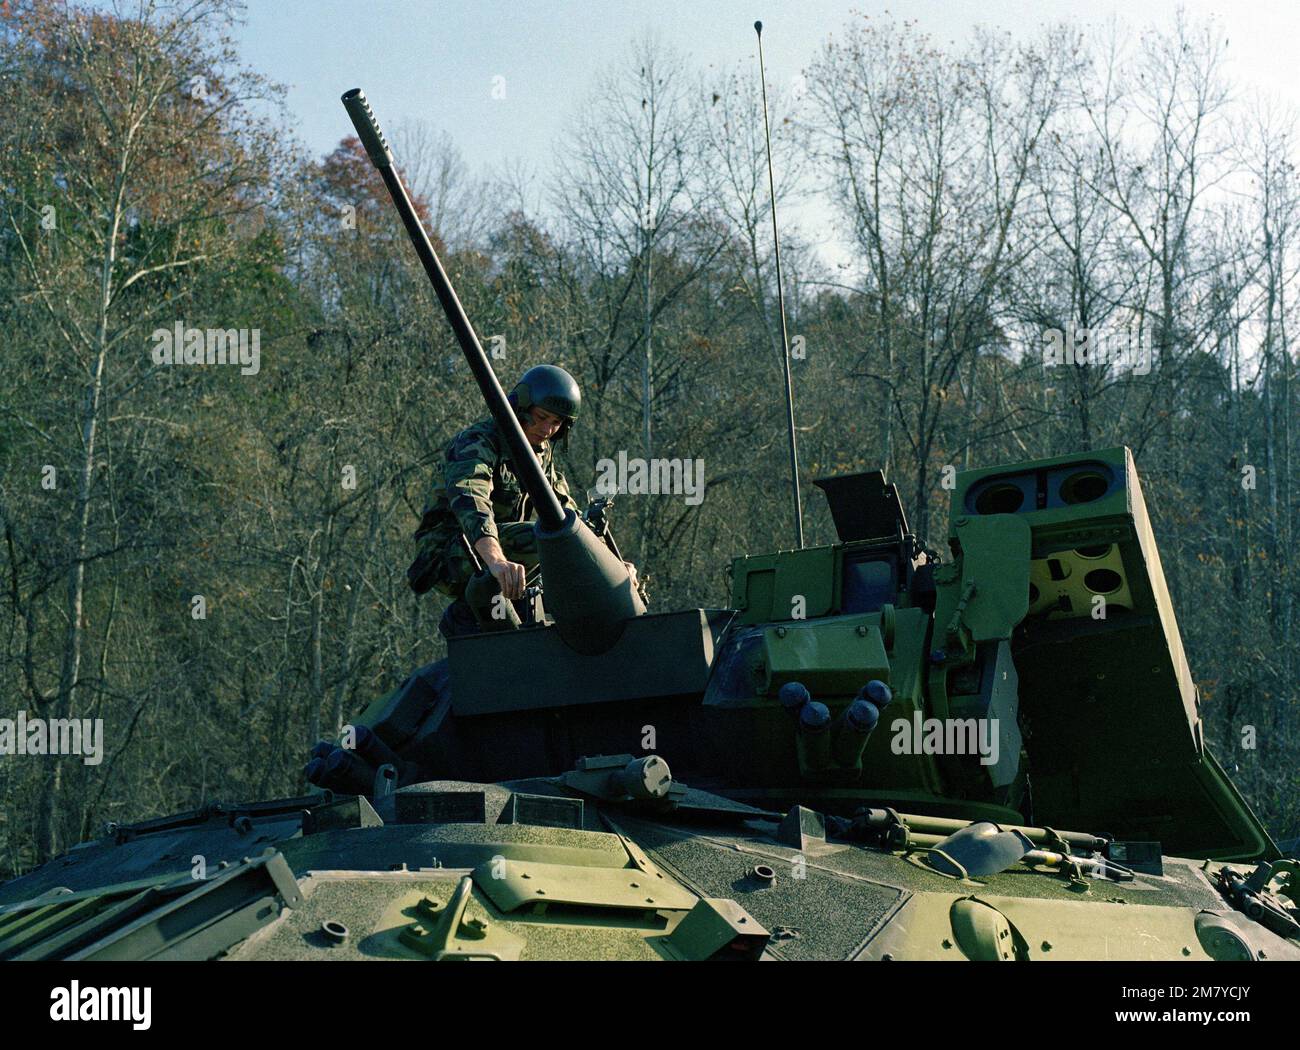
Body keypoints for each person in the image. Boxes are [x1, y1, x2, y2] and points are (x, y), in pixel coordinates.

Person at [409, 364, 582, 640]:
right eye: (541, 417)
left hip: (497, 557)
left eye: (557, 422)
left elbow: (569, 515)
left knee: (569, 543)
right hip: (448, 555)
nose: (547, 429)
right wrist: (497, 560)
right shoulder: (478, 442)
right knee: (542, 538)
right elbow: (472, 501)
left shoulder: (540, 454)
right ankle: (467, 611)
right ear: (523, 410)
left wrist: (613, 564)